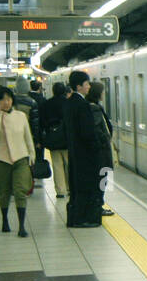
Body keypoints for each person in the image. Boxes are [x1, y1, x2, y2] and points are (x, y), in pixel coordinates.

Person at [0, 85, 35, 237]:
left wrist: (32, 154)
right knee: (4, 192)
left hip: (20, 158)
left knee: (20, 191)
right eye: (2, 99)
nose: (6, 102)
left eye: (8, 99)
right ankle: (5, 220)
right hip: (1, 159)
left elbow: (28, 136)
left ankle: (21, 226)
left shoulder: (20, 116)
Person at [64, 70, 104, 227]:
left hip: (74, 152)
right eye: (87, 84)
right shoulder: (82, 105)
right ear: (79, 86)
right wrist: (97, 148)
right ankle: (82, 219)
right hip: (85, 155)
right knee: (85, 186)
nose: (89, 87)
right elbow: (87, 132)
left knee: (76, 187)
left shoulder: (68, 103)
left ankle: (74, 217)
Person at [85, 79, 115, 216]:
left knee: (100, 179)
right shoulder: (95, 108)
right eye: (102, 91)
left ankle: (97, 205)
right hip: (101, 153)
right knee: (102, 180)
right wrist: (105, 141)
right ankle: (98, 206)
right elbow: (99, 130)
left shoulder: (90, 106)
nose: (104, 94)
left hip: (100, 153)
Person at [40, 81, 70, 198]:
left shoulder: (46, 104)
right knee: (68, 164)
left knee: (57, 165)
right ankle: (69, 188)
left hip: (53, 139)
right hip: (67, 139)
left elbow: (42, 122)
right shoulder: (68, 103)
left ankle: (60, 191)